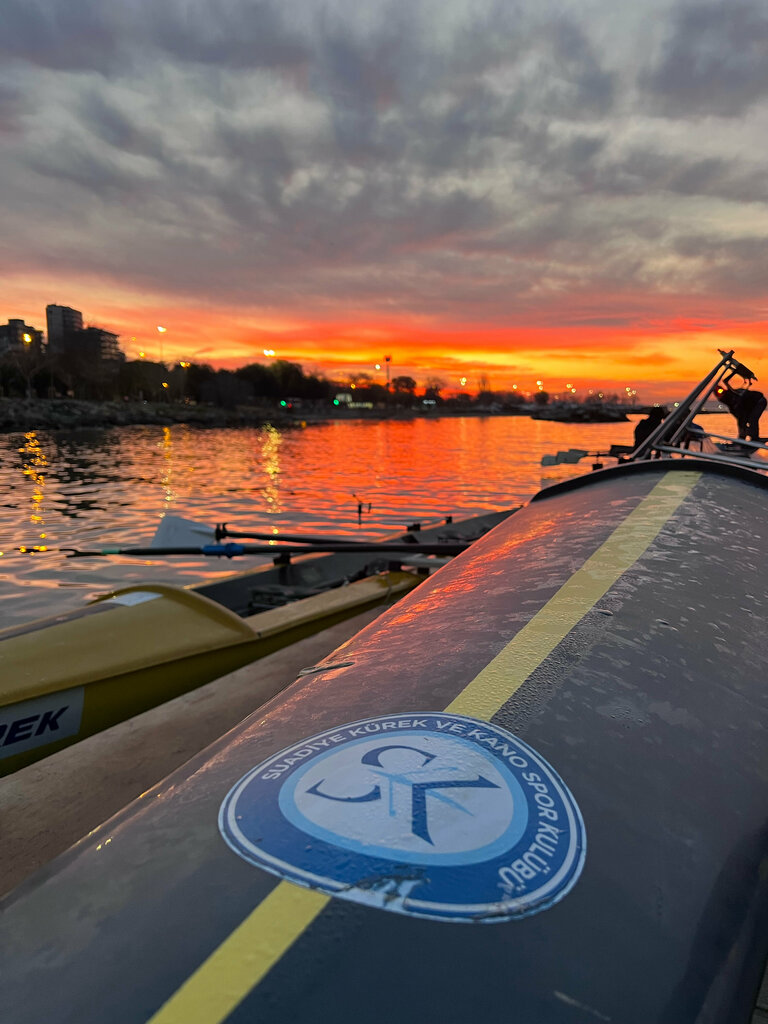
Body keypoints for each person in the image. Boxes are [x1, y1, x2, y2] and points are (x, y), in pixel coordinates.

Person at [714, 367, 766, 442]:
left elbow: (725, 381)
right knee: (743, 421)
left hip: (759, 401)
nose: (721, 393)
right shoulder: (732, 406)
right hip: (749, 405)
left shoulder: (732, 393)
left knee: (752, 420)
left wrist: (735, 372)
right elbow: (740, 418)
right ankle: (743, 437)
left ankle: (753, 438)